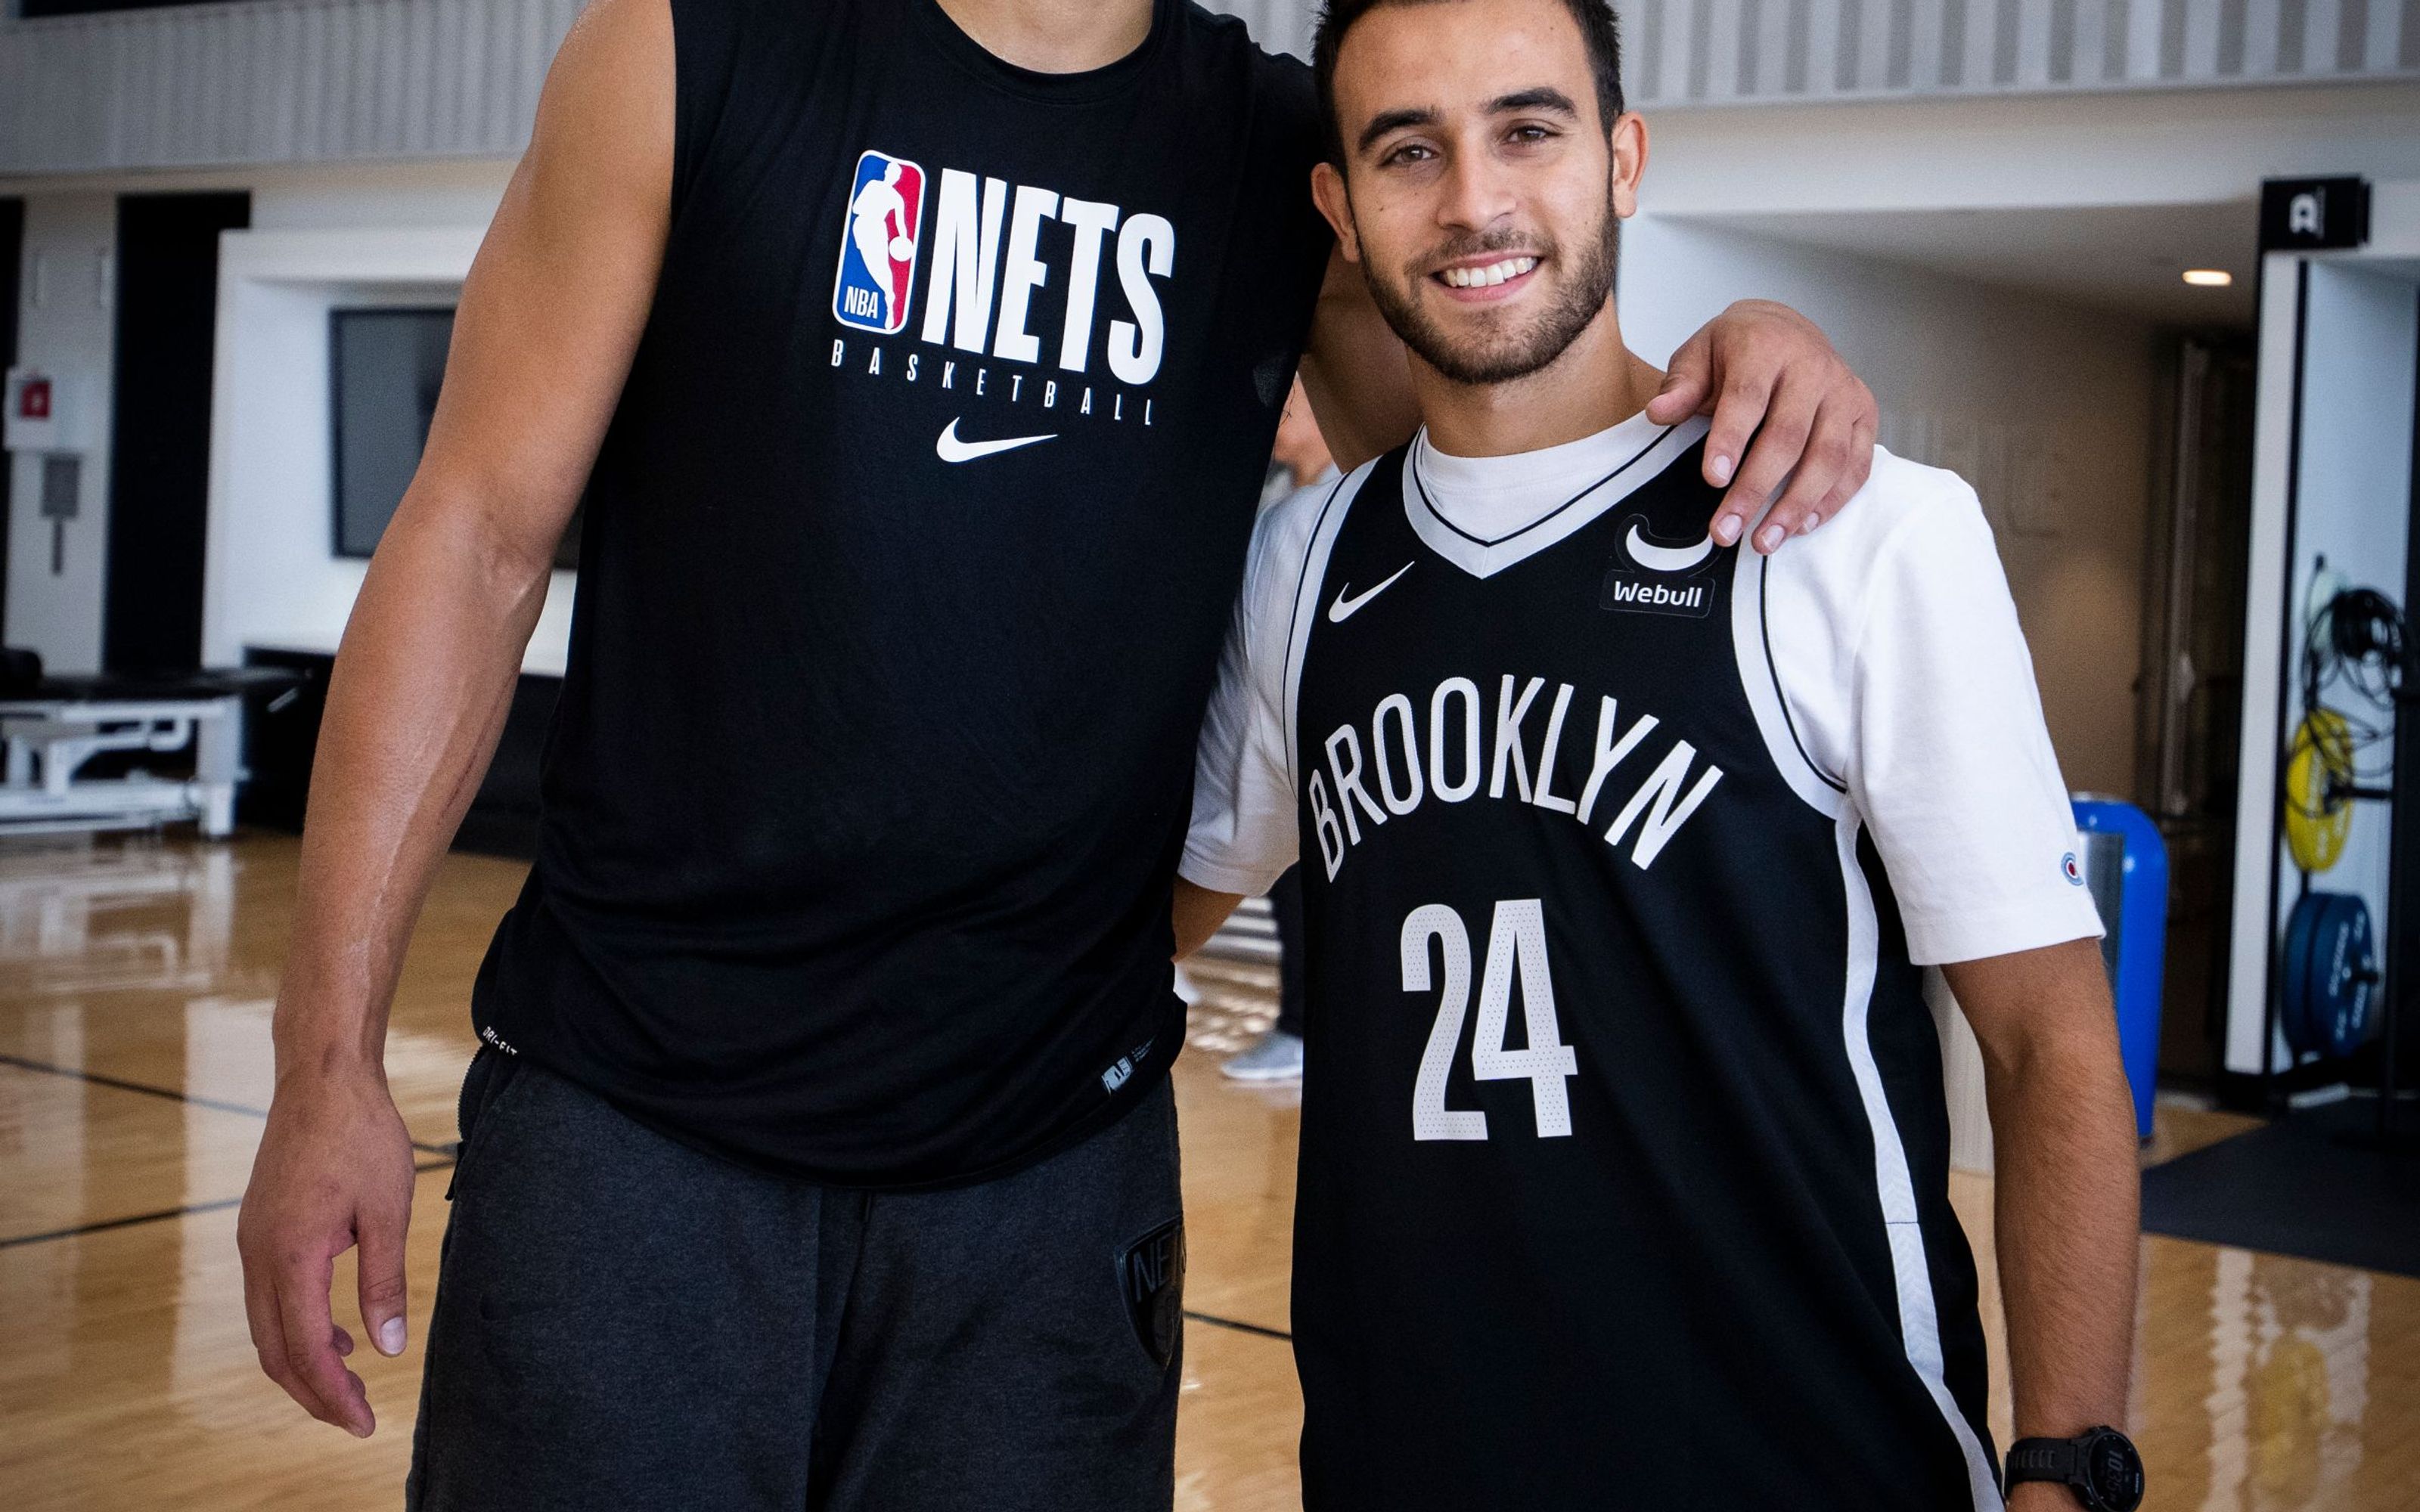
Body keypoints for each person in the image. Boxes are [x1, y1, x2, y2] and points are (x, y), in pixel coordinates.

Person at [234, 0, 1884, 1504]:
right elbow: (472, 540)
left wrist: (1744, 358)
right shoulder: (687, 50)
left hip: (1044, 1180)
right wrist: (324, 1067)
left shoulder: (1277, 146)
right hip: (636, 1127)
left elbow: (1522, 462)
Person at [1173, 0, 2144, 1507]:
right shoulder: (1303, 571)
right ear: (1339, 211)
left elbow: (2049, 1043)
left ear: (1622, 156)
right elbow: (1123, 928)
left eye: (1528, 129)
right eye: (1407, 150)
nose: (1475, 200)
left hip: (1810, 1462)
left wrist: (2066, 1470)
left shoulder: (1857, 531)